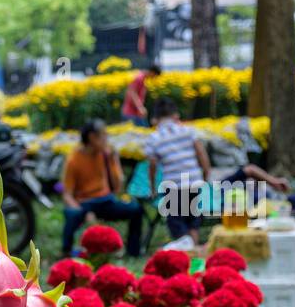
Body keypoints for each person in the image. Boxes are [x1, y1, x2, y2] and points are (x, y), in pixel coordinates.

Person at [61, 119, 144, 256]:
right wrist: (81, 210)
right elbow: (67, 194)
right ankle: (67, 252)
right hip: (84, 203)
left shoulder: (105, 154)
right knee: (73, 215)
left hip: (105, 201)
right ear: (92, 137)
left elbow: (118, 186)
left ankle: (133, 251)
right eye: (104, 135)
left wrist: (114, 160)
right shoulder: (74, 159)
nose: (107, 139)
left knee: (136, 209)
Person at [145, 97, 212, 242]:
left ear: (155, 119)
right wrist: (205, 175)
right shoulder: (188, 131)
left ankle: (187, 253)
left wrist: (152, 188)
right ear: (176, 115)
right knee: (192, 222)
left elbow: (152, 166)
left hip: (174, 186)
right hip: (194, 181)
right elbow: (202, 154)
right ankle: (194, 252)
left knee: (177, 223)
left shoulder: (154, 138)